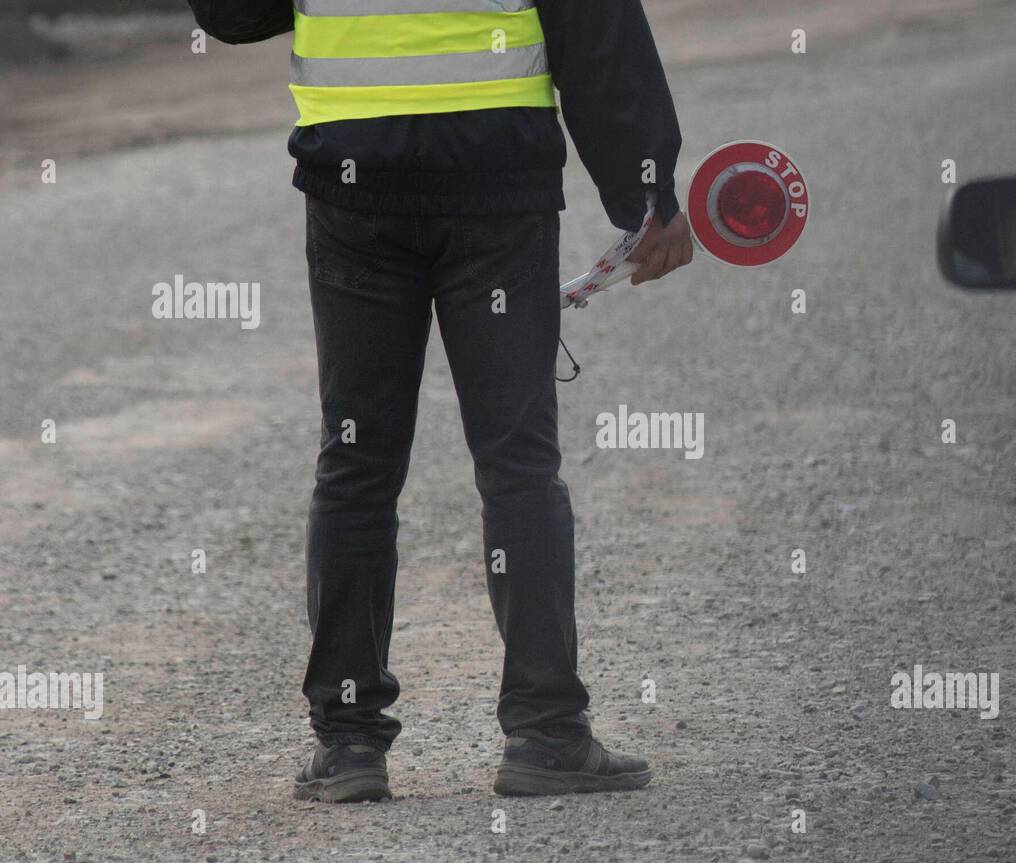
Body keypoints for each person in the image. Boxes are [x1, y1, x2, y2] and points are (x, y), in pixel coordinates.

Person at [187, 0, 693, 801]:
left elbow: (234, 13)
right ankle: (548, 734)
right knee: (519, 462)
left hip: (354, 178)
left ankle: (350, 745)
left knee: (356, 463)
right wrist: (647, 190)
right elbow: (595, 29)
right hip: (497, 179)